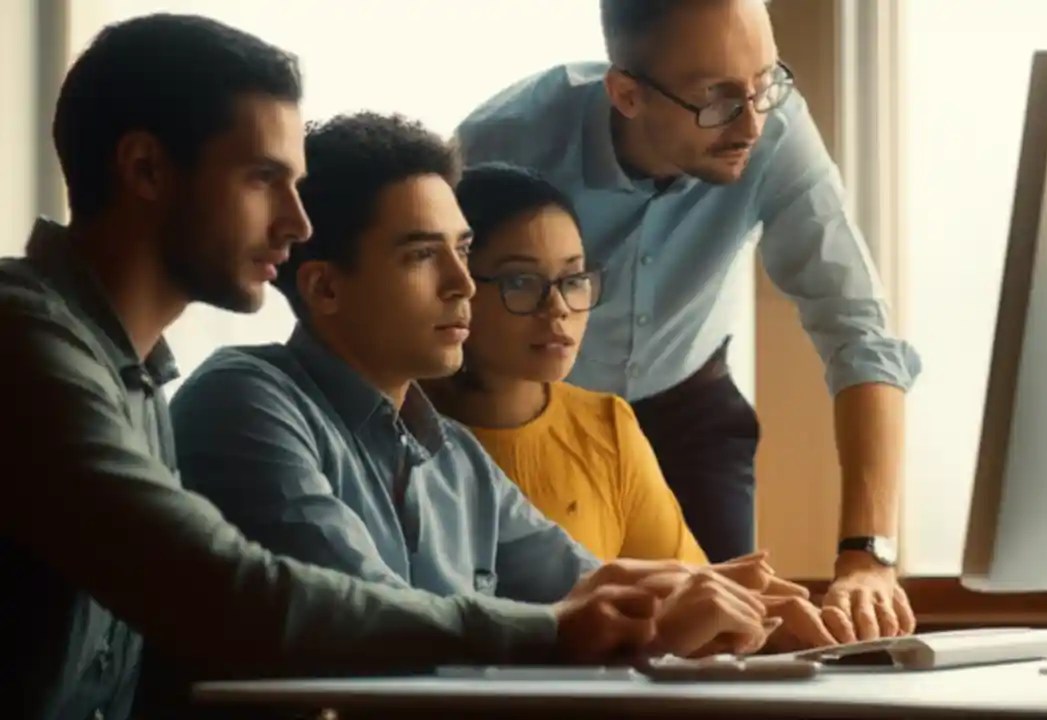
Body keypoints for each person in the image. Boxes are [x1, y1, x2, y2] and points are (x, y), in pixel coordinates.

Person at [0, 15, 726, 719]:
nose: (297, 223)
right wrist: (550, 630)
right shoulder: (25, 344)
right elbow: (231, 592)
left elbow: (586, 582)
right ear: (146, 168)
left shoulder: (134, 382)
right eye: (262, 179)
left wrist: (729, 600)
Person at [170, 112, 827, 659]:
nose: (462, 285)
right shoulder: (245, 401)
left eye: (462, 250)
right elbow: (357, 615)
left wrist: (735, 602)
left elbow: (591, 584)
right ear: (324, 286)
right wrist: (607, 624)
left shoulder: (453, 456)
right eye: (424, 256)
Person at [455, 0, 923, 641]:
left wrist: (867, 557)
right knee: (567, 635)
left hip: (688, 402)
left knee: (737, 640)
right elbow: (434, 307)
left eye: (764, 84)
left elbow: (860, 332)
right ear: (625, 94)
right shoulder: (505, 142)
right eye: (717, 99)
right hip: (528, 417)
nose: (753, 124)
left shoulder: (773, 128)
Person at [427, 162, 707, 566]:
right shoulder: (394, 429)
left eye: (573, 279)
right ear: (457, 286)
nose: (557, 308)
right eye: (521, 282)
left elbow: (684, 592)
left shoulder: (607, 429)